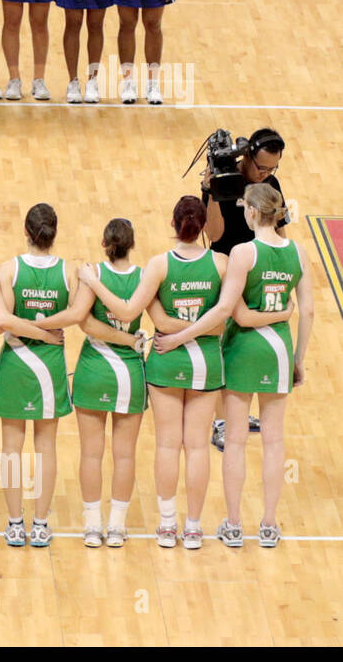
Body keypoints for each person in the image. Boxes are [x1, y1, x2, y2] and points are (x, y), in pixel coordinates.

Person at [153, 184, 311, 548]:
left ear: (253, 213)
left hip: (242, 350)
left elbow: (228, 312)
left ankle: (234, 524)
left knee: (235, 442)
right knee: (274, 442)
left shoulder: (242, 253)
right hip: (280, 350)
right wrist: (298, 356)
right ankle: (269, 526)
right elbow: (309, 310)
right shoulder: (299, 252)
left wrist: (178, 337)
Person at [80, 196, 227, 549]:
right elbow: (223, 321)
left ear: (173, 226)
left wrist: (92, 280)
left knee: (166, 445)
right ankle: (192, 526)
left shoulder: (159, 266)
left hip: (167, 358)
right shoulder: (221, 264)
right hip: (206, 362)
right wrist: (200, 327)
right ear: (203, 226)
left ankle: (165, 525)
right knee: (197, 448)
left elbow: (143, 315)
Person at [0, 204, 82, 547]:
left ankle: (15, 523)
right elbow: (75, 314)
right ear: (55, 233)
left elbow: (6, 319)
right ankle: (40, 524)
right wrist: (46, 331)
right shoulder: (70, 272)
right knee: (46, 447)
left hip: (16, 360)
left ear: (25, 233)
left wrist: (30, 329)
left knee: (11, 448)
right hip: (50, 362)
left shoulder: (9, 269)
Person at [201, 128, 288, 447]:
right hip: (225, 271)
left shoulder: (271, 186)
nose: (265, 174)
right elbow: (213, 235)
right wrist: (209, 193)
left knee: (245, 348)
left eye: (271, 169)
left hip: (257, 273)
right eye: (261, 167)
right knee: (223, 347)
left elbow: (280, 232)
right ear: (247, 156)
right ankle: (221, 421)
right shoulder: (224, 181)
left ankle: (239, 414)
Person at [68, 219, 147, 547]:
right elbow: (138, 315)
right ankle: (116, 526)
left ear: (105, 243)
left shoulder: (93, 275)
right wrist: (131, 340)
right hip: (130, 372)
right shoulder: (145, 277)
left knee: (91, 453)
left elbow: (84, 322)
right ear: (132, 244)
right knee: (125, 455)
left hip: (94, 368)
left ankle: (91, 526)